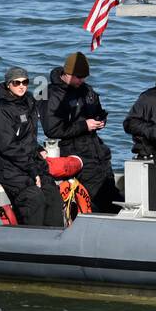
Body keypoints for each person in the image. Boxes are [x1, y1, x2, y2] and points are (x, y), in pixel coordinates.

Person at [0, 67, 63, 226]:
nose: (21, 86)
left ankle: (55, 237)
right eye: (16, 83)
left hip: (28, 160)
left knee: (52, 192)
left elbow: (26, 136)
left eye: (25, 82)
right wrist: (32, 170)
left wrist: (38, 148)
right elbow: (8, 146)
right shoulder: (2, 109)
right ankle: (31, 238)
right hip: (7, 166)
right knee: (33, 197)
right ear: (8, 85)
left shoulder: (28, 101)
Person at [43, 51, 121, 212]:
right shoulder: (52, 95)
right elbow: (52, 129)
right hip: (74, 153)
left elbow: (99, 111)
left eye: (84, 77)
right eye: (77, 77)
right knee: (97, 196)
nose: (81, 80)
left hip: (97, 151)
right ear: (66, 73)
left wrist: (100, 121)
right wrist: (84, 126)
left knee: (110, 189)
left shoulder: (87, 91)